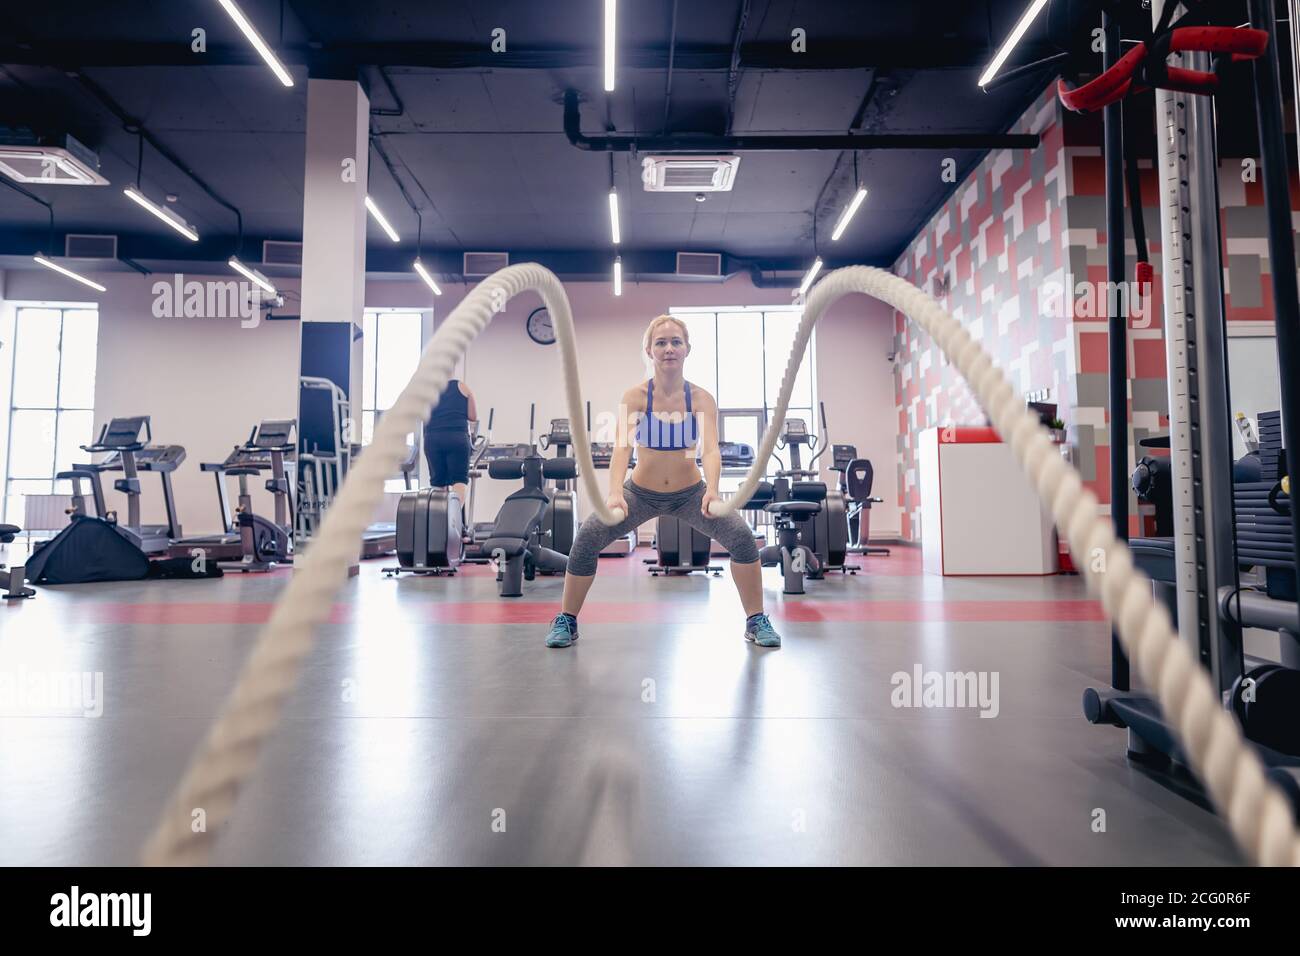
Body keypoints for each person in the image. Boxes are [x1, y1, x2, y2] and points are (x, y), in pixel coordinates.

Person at [544, 315, 781, 649]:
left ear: (687, 349)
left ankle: (756, 620)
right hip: (640, 493)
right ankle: (566, 620)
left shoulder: (700, 398)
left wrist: (712, 490)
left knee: (742, 539)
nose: (669, 348)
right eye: (661, 342)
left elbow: (711, 450)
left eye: (675, 342)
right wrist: (614, 493)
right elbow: (622, 447)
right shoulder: (636, 397)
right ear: (649, 350)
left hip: (691, 494)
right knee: (587, 539)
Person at [424, 378, 478, 506]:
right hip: (457, 437)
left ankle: (440, 520)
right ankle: (452, 520)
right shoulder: (462, 387)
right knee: (459, 481)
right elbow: (473, 416)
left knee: (438, 483)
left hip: (433, 438)